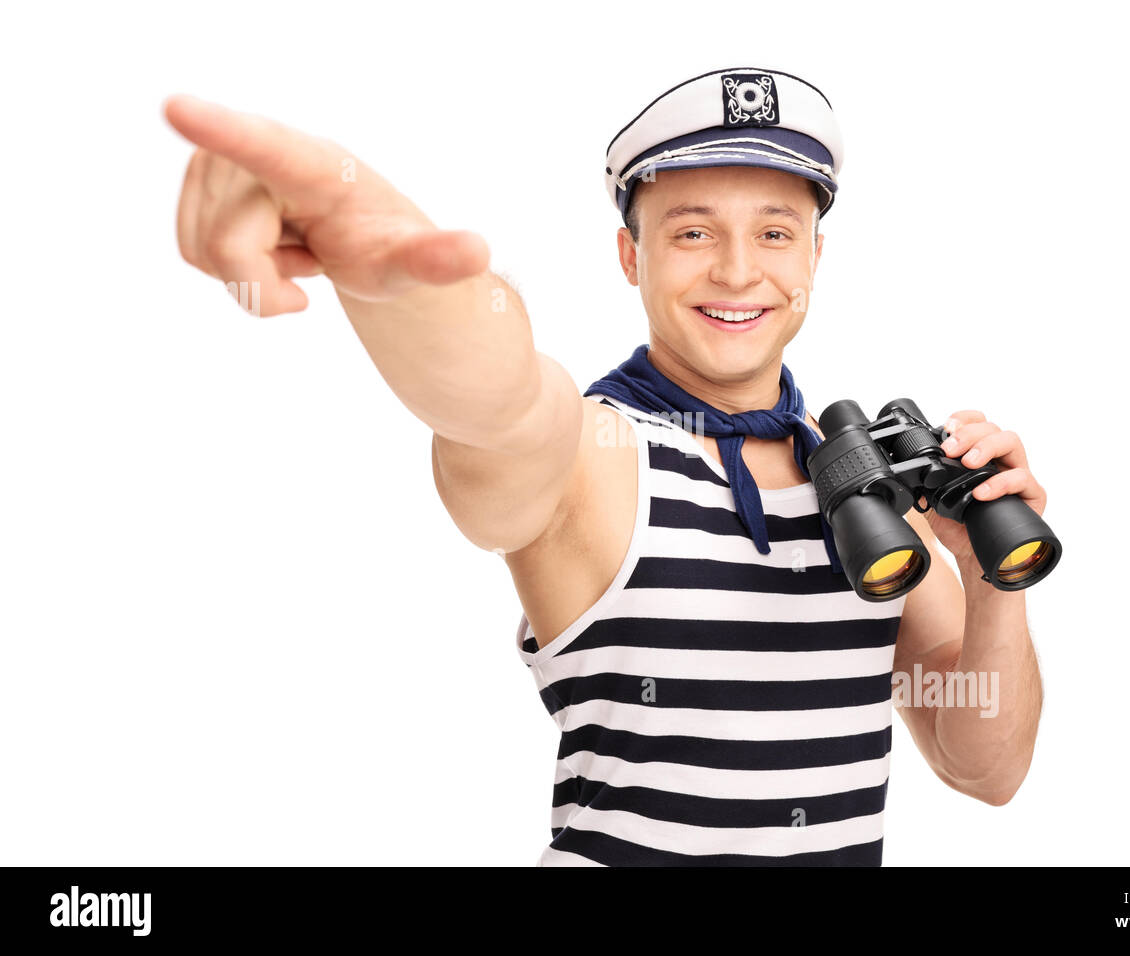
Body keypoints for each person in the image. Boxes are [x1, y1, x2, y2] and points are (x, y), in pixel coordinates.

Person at [165, 66, 1047, 866]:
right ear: (632, 256)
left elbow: (987, 770)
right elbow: (500, 398)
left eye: (776, 233)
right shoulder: (598, 453)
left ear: (815, 255)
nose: (740, 272)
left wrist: (987, 579)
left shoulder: (861, 492)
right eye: (693, 232)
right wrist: (373, 243)